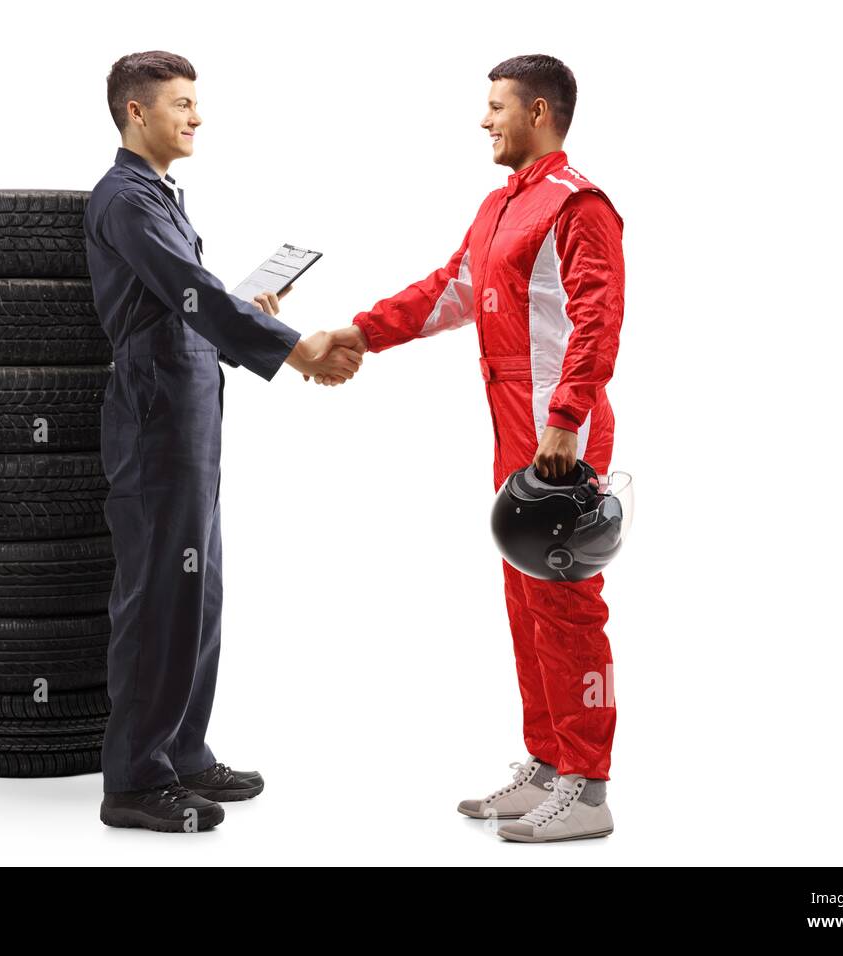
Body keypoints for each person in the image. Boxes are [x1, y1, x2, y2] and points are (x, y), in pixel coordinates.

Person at [317, 54, 626, 843]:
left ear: (541, 112)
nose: (485, 120)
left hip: (560, 431)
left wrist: (563, 418)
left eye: (498, 106)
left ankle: (589, 790)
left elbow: (598, 318)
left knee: (566, 601)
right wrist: (362, 332)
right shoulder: (499, 208)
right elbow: (451, 289)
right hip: (509, 420)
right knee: (526, 599)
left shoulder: (578, 204)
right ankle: (549, 765)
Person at [84, 51, 362, 833]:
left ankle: (181, 750)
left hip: (189, 414)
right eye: (182, 103)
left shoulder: (163, 197)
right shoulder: (125, 198)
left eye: (196, 103)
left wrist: (248, 309)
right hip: (154, 421)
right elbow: (188, 293)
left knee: (198, 593)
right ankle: (134, 781)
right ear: (136, 112)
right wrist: (291, 344)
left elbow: (182, 304)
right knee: (157, 594)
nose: (196, 116)